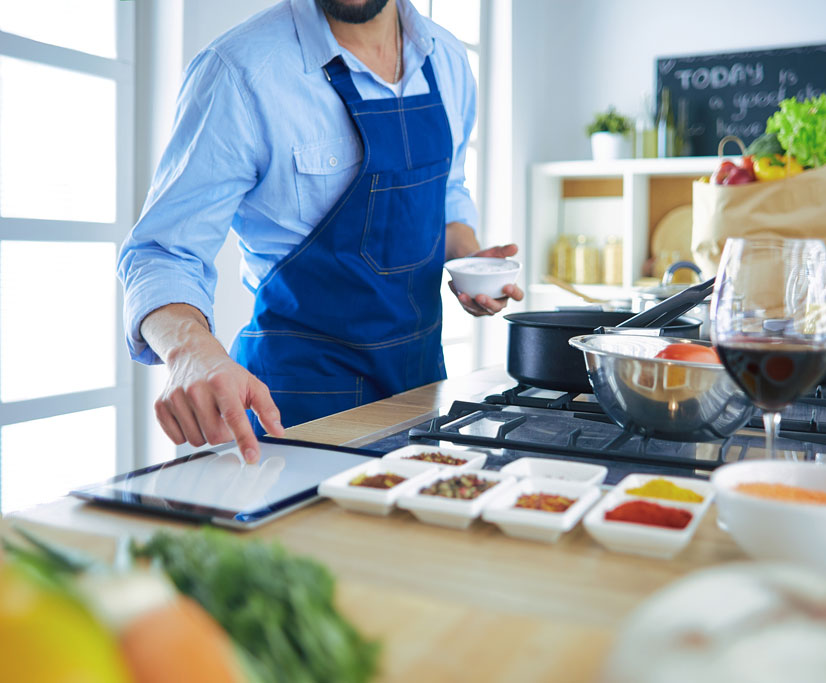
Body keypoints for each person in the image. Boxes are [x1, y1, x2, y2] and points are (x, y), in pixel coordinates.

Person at [118, 0, 523, 464]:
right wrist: (190, 351)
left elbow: (448, 191)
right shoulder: (239, 71)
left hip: (421, 396)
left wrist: (471, 261)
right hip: (296, 409)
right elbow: (161, 252)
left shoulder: (448, 59)